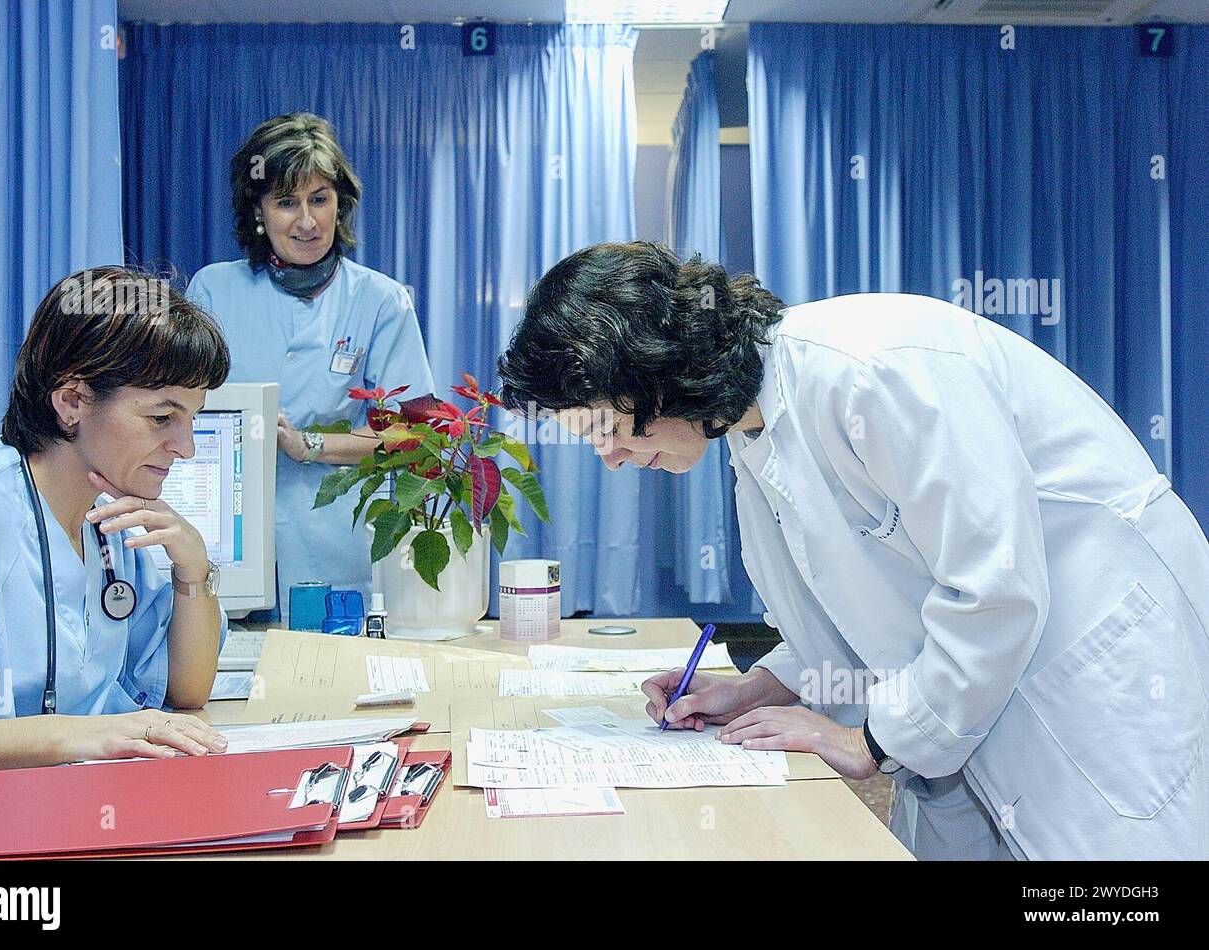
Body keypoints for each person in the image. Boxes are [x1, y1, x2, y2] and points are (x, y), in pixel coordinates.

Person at [497, 241, 1209, 860]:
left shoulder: (871, 366)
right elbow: (850, 603)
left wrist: (867, 745)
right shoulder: (752, 425)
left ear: (651, 372)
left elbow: (994, 589)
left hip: (1091, 679)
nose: (611, 459)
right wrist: (758, 686)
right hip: (969, 707)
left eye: (604, 428)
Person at [0, 266, 231, 835]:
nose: (183, 448)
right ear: (72, 400)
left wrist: (193, 572)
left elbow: (185, 689)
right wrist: (79, 734)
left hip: (76, 811)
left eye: (192, 420)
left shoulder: (108, 518)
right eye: (163, 417)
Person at [186, 112, 434, 613]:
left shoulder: (381, 301)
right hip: (227, 541)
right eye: (286, 202)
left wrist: (307, 444)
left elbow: (415, 439)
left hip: (337, 547)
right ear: (258, 211)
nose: (307, 221)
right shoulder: (213, 290)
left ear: (339, 204)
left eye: (319, 199)